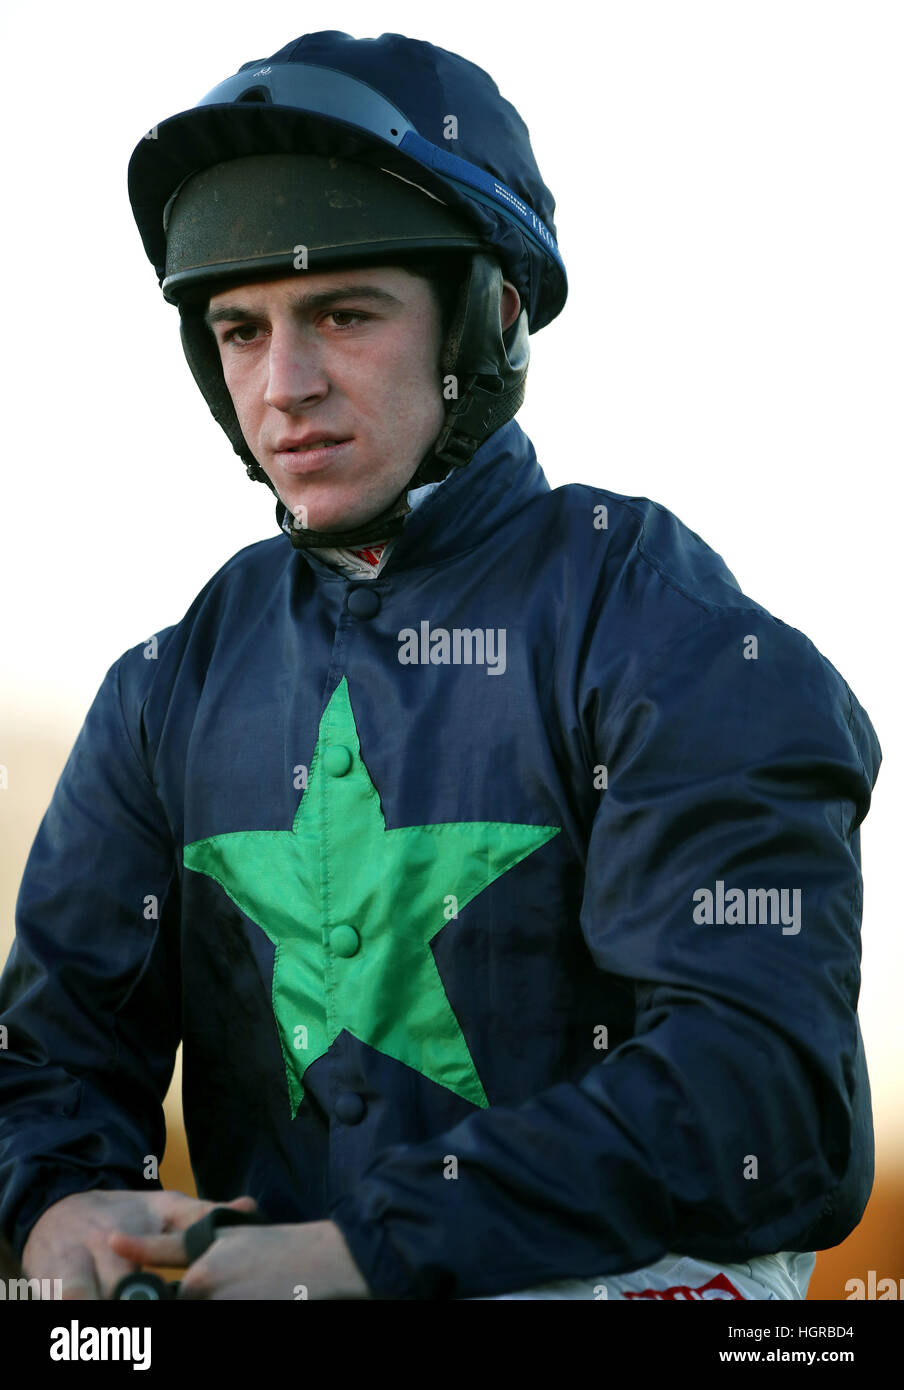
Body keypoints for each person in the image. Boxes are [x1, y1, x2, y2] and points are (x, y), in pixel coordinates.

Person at [0, 30, 881, 1302]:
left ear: (491, 317)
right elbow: (46, 1053)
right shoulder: (168, 682)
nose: (283, 387)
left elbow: (765, 1100)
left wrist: (368, 1249)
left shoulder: (667, 633)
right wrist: (56, 1198)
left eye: (342, 315)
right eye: (240, 330)